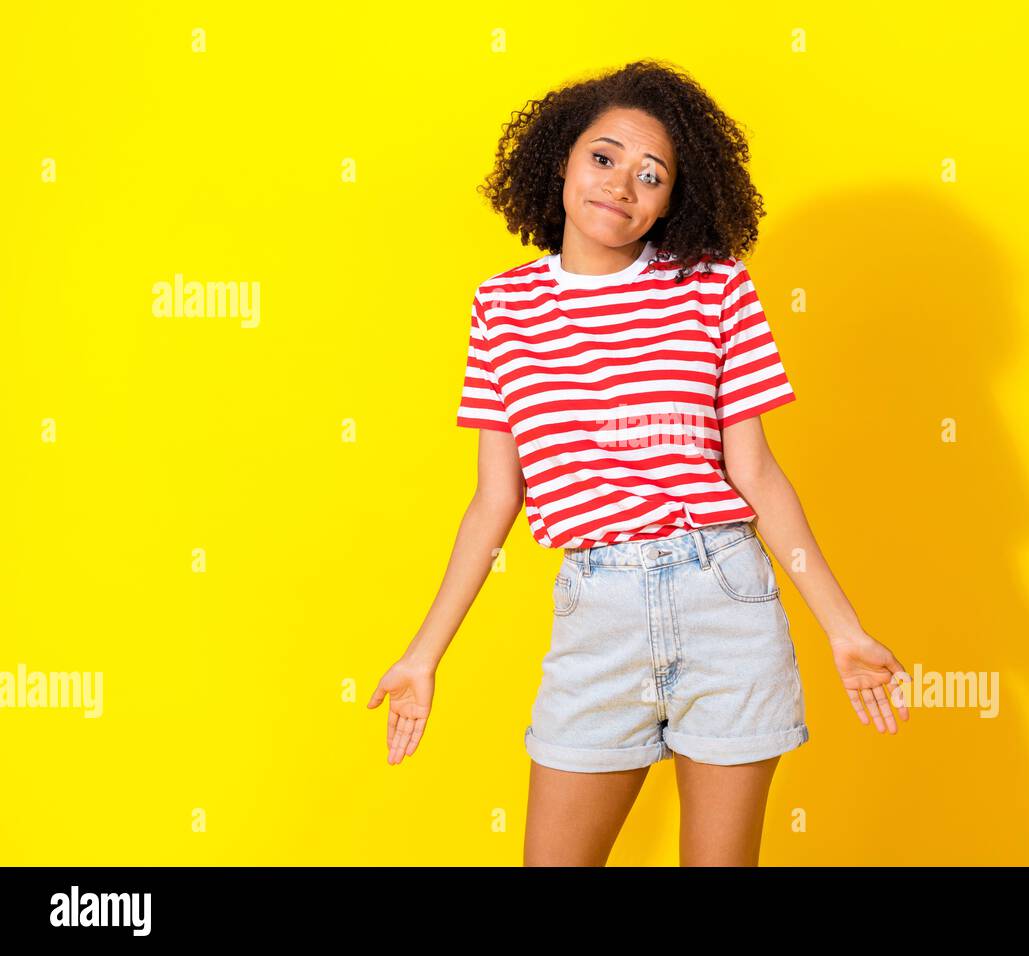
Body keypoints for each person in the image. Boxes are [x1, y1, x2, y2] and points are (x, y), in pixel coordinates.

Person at [368, 59, 911, 866]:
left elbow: (755, 474)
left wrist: (843, 629)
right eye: (604, 157)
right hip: (598, 606)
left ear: (674, 199)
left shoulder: (713, 288)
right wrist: (423, 654)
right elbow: (493, 503)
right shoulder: (504, 307)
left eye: (651, 175)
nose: (622, 184)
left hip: (724, 594)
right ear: (561, 158)